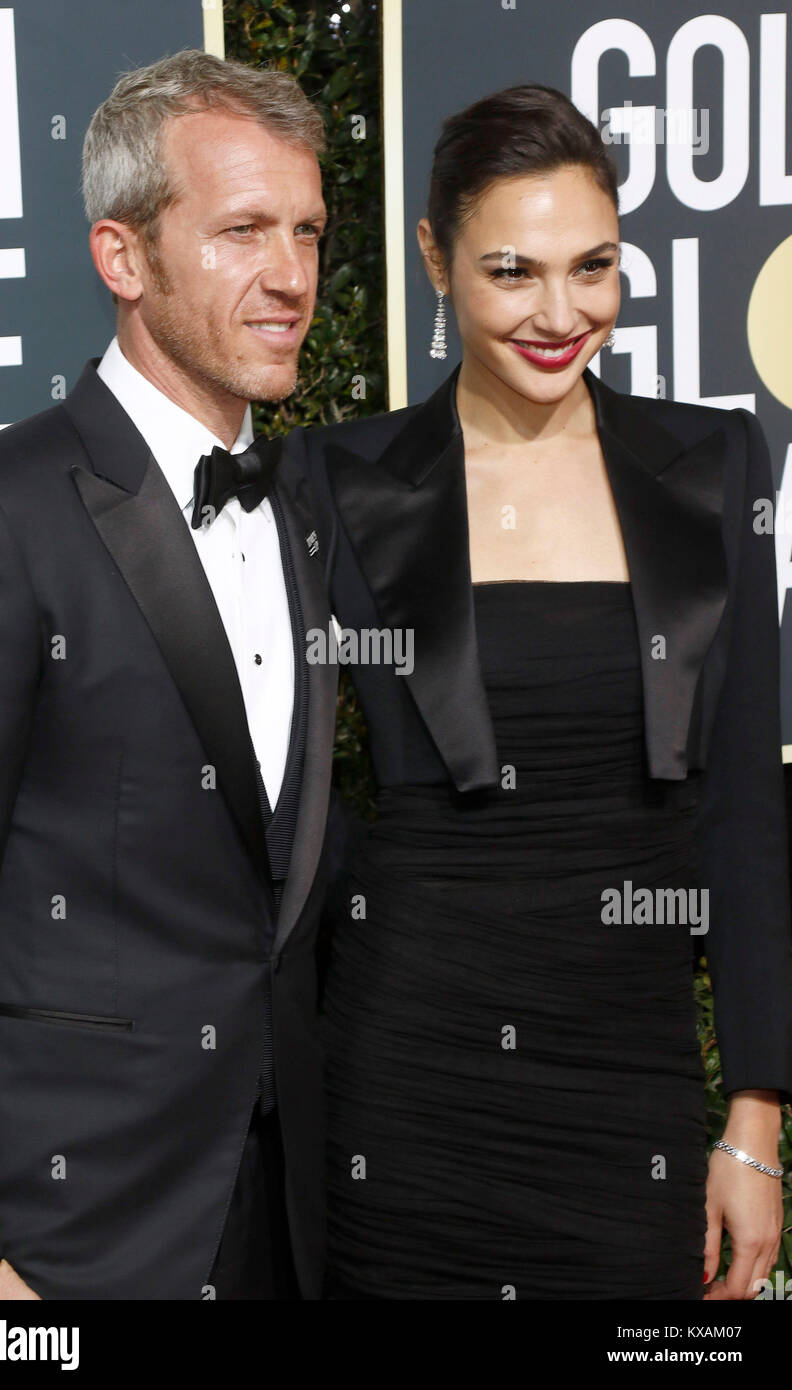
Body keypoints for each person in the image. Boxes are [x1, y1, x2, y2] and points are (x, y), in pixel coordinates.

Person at [297, 84, 792, 1300]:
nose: (562, 313)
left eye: (596, 267)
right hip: (408, 1081)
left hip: (630, 1085)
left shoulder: (715, 464)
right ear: (433, 257)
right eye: (514, 271)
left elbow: (742, 808)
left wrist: (755, 1121)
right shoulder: (334, 482)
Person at [0, 50, 337, 1300]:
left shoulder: (310, 508)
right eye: (242, 233)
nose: (292, 277)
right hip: (66, 1236)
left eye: (309, 230)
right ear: (123, 258)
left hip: (284, 1215)